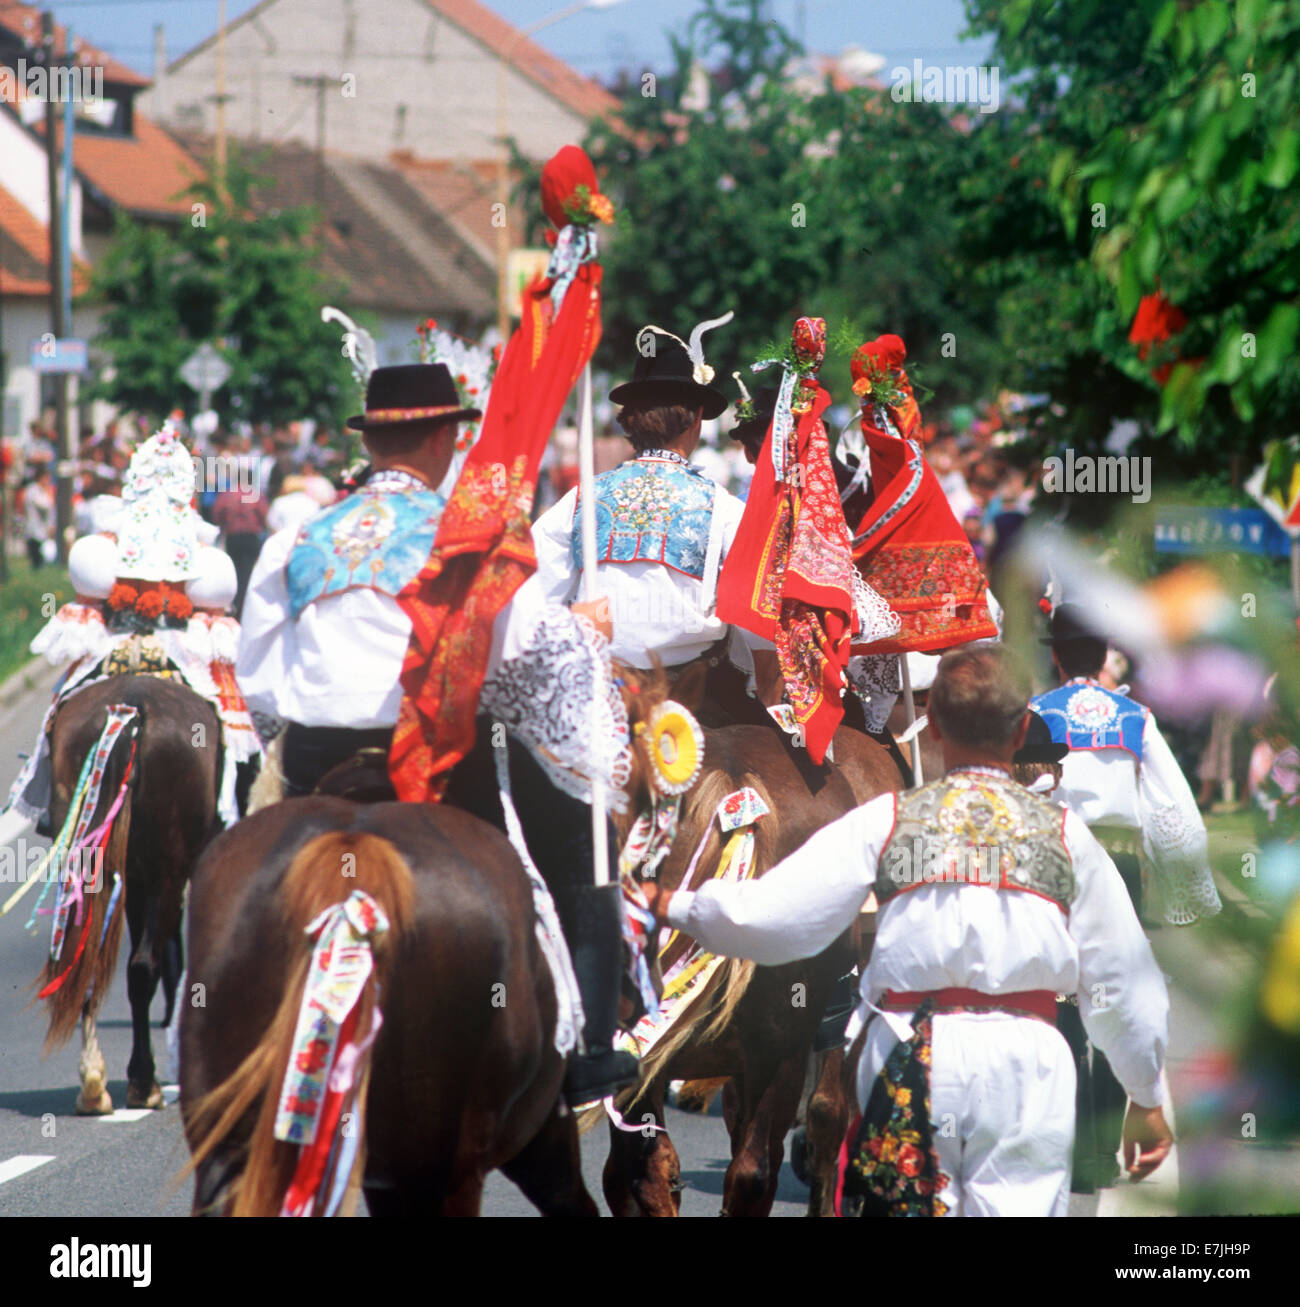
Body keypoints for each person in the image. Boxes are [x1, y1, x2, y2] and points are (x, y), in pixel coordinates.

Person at [640, 644, 1174, 1217]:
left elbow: (777, 916)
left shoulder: (891, 819)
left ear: (936, 728)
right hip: (1027, 1068)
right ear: (1022, 732)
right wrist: (1145, 1095)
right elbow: (1123, 979)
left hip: (911, 1060)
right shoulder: (1068, 837)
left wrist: (675, 904)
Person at [237, 362, 638, 1107]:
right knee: (584, 839)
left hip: (317, 763)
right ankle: (587, 1049)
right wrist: (583, 633)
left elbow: (257, 676)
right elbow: (520, 649)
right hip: (429, 761)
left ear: (376, 438)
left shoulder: (297, 536)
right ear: (448, 437)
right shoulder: (464, 540)